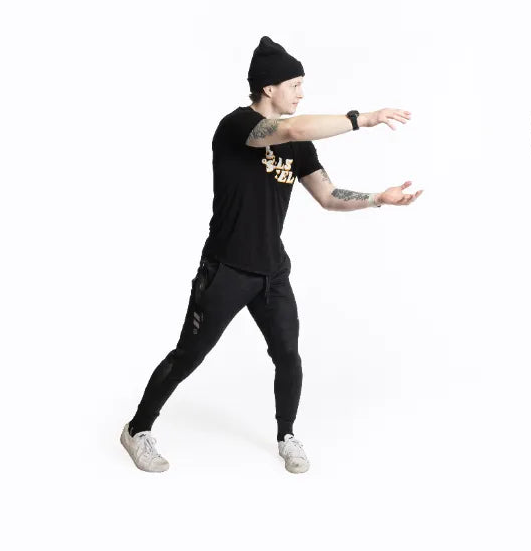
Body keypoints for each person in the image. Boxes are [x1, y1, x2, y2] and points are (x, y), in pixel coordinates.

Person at [120, 36, 423, 474]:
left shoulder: (299, 146)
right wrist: (364, 119)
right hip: (225, 269)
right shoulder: (237, 126)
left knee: (288, 355)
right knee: (189, 354)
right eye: (294, 85)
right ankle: (137, 429)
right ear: (268, 88)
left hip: (272, 272)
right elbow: (292, 129)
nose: (301, 93)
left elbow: (328, 196)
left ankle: (287, 436)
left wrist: (379, 198)